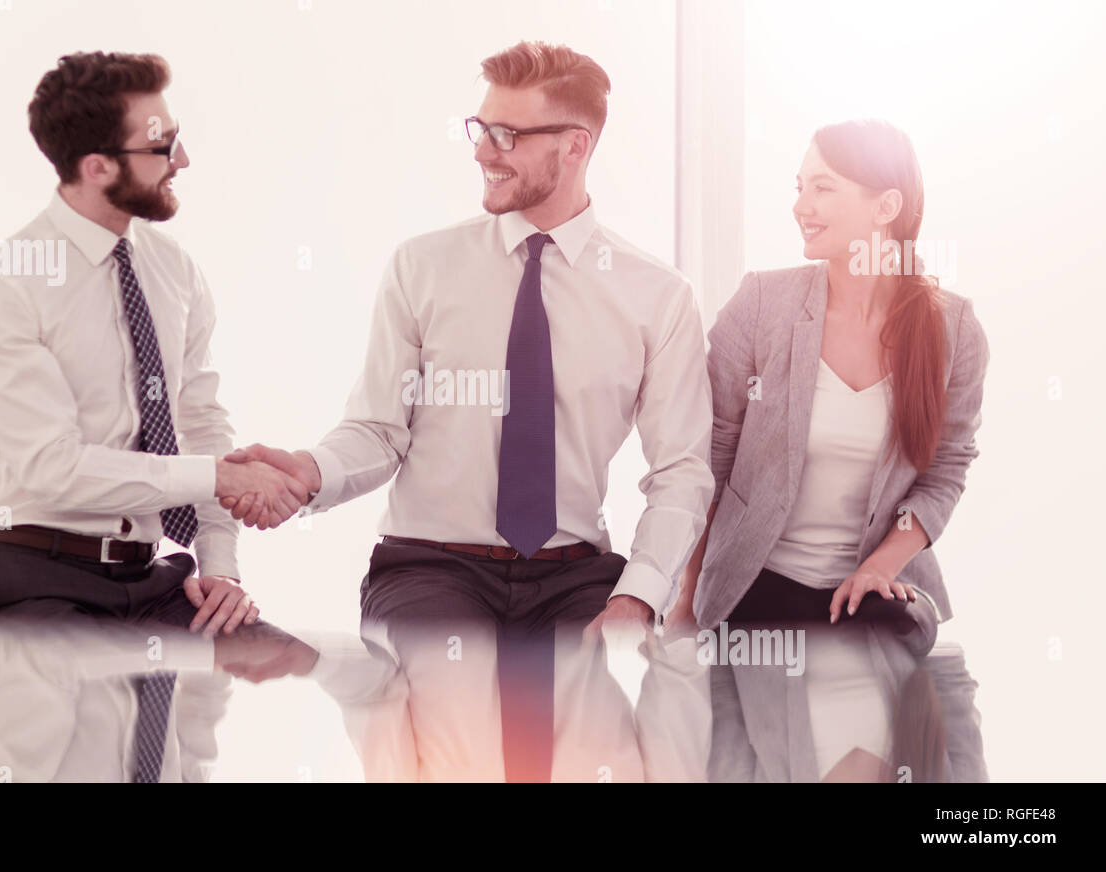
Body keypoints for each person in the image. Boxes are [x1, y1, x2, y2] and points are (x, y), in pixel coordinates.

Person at [223, 40, 715, 782]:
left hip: (574, 573)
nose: (485, 150)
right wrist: (309, 471)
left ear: (576, 146)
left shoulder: (657, 297)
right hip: (431, 568)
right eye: (479, 129)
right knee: (458, 725)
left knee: (612, 727)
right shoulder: (423, 267)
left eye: (508, 135)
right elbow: (379, 430)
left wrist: (637, 598)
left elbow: (681, 472)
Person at [0, 51, 309, 781]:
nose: (183, 158)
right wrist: (220, 476)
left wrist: (218, 567)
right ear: (97, 167)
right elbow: (53, 468)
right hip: (34, 577)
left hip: (150, 577)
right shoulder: (6, 287)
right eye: (161, 146)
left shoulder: (173, 271)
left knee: (291, 665)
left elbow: (201, 423)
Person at [672, 119, 990, 782]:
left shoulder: (953, 328)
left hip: (874, 597)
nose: (800, 205)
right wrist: (685, 597)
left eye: (822, 187)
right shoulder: (763, 303)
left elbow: (946, 469)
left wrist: (882, 565)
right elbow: (712, 455)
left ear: (886, 206)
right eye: (798, 187)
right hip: (760, 590)